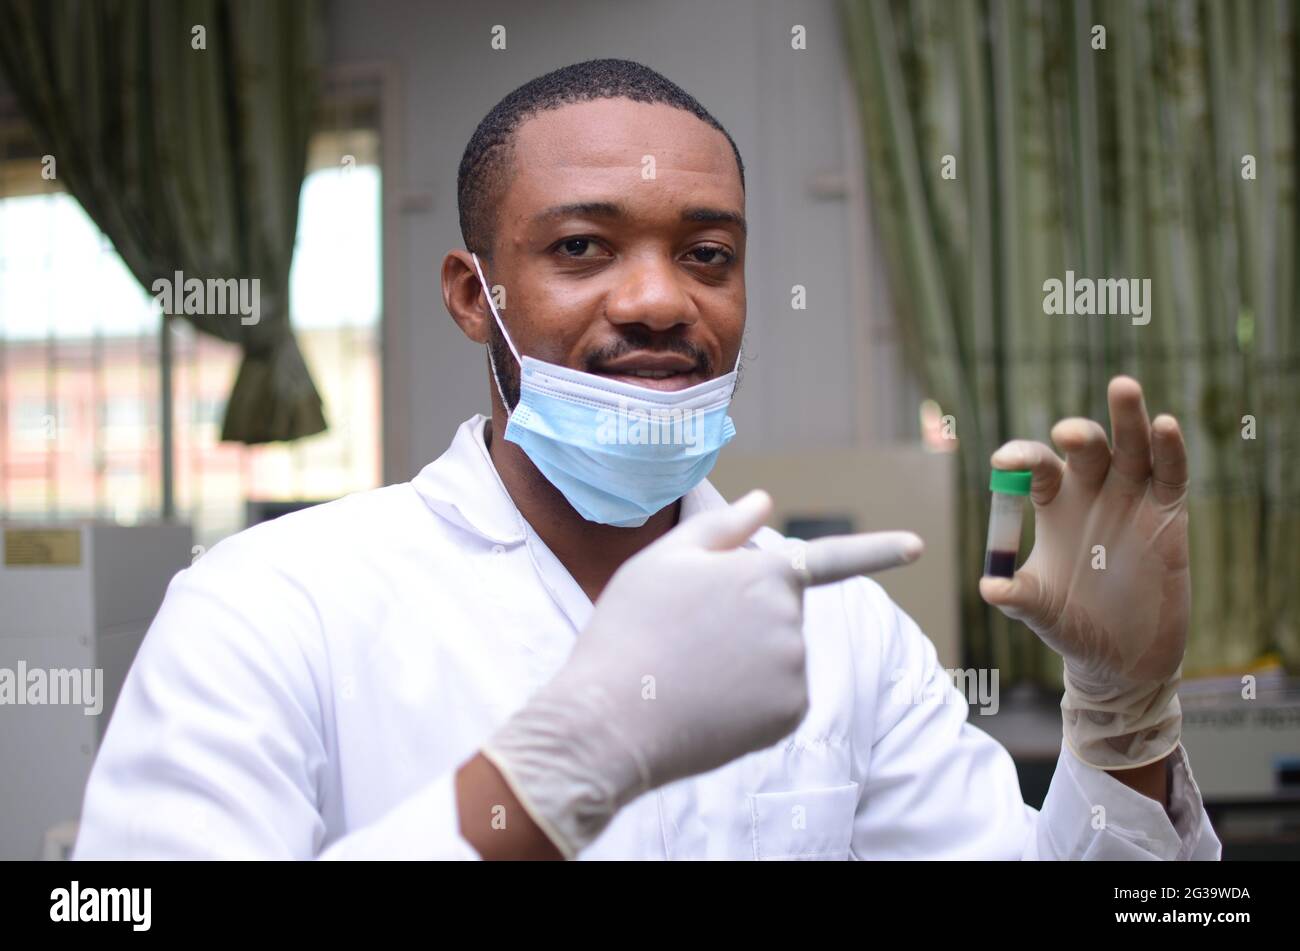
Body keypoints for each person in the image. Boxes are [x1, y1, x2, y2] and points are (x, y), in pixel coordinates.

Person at [74, 59, 1219, 860]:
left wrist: (1120, 720)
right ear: (477, 296)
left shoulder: (844, 632)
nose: (661, 299)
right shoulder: (268, 609)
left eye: (707, 253)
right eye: (582, 246)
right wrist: (556, 767)